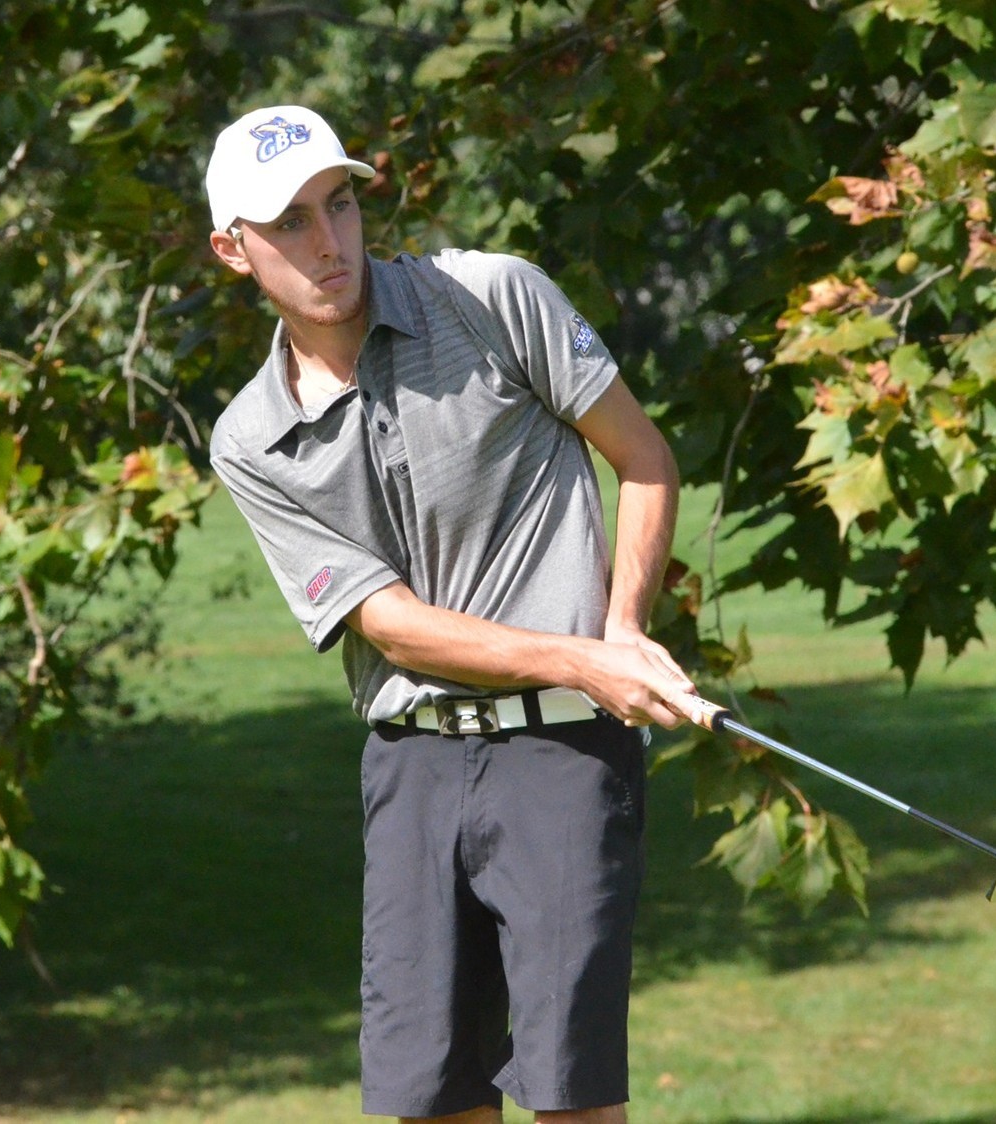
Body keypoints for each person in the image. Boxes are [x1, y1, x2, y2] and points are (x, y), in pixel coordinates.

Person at [204, 104, 702, 1124]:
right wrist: (577, 655)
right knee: (429, 1100)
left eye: (337, 205)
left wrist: (622, 627)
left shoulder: (489, 298)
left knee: (570, 1102)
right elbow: (390, 625)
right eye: (288, 223)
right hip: (412, 766)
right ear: (231, 249)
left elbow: (644, 459)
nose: (326, 241)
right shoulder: (250, 439)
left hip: (561, 760)